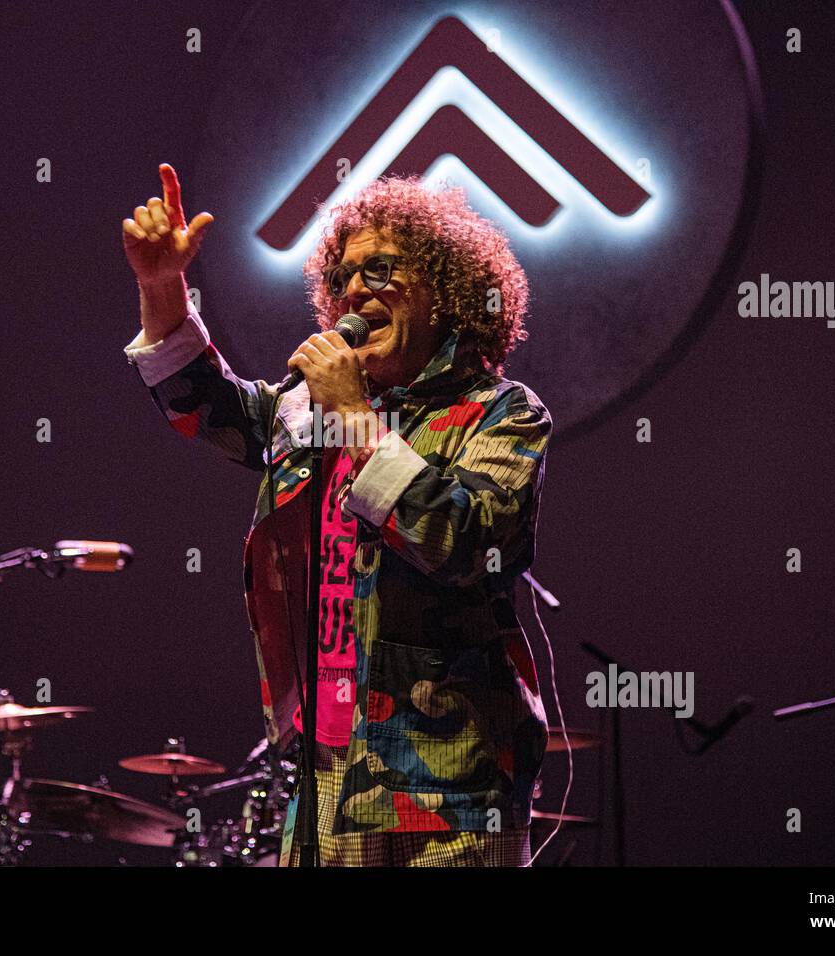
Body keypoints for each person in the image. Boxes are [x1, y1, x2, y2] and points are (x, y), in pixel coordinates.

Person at [122, 163, 551, 866]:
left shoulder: (501, 412)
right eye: (343, 278)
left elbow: (462, 538)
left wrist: (354, 418)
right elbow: (207, 406)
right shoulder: (305, 413)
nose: (355, 291)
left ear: (444, 289)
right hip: (325, 777)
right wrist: (160, 285)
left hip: (449, 789)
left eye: (380, 270)